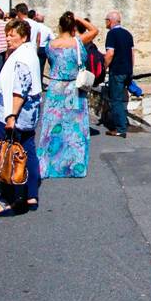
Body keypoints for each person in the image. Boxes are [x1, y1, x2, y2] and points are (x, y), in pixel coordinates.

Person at [0, 19, 42, 216]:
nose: (8, 38)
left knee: (5, 155)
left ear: (24, 36)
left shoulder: (22, 57)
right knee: (27, 151)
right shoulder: (28, 52)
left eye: (12, 34)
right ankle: (31, 195)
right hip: (28, 114)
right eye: (7, 34)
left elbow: (19, 89)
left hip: (14, 114)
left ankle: (6, 200)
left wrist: (11, 117)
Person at [39, 12, 98, 180]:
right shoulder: (78, 43)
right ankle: (74, 165)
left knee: (52, 126)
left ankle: (49, 164)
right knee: (74, 128)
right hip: (73, 88)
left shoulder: (50, 45)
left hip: (55, 87)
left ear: (59, 26)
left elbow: (51, 63)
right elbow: (94, 30)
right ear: (73, 27)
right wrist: (79, 19)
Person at [103, 10, 135, 138]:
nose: (105, 23)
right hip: (127, 71)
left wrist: (104, 67)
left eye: (106, 20)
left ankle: (120, 129)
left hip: (117, 71)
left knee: (115, 100)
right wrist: (130, 70)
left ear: (110, 21)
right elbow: (132, 54)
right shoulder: (128, 34)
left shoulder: (112, 34)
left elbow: (110, 53)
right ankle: (122, 124)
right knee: (120, 99)